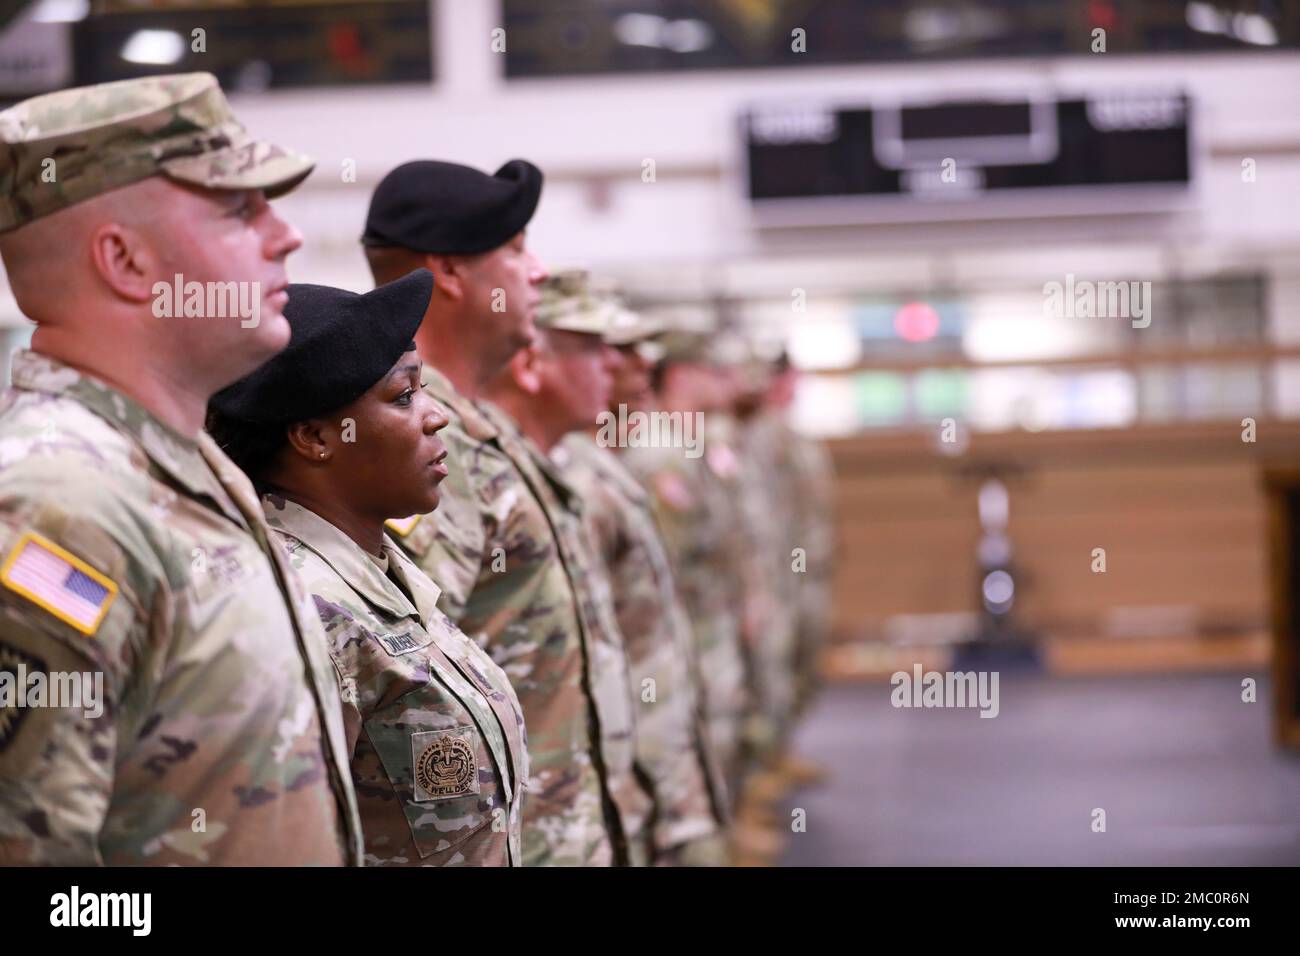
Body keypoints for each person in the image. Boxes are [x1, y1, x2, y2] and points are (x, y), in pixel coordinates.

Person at [0, 72, 362, 865]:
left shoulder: (181, 464)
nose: (286, 236)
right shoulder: (61, 505)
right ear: (126, 261)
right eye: (241, 210)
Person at [207, 271, 528, 866]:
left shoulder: (378, 572)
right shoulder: (303, 609)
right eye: (403, 397)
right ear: (314, 436)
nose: (438, 418)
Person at [362, 160, 628, 865]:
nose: (537, 272)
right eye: (515, 250)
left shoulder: (477, 432)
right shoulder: (426, 444)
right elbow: (403, 688)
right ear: (449, 273)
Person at [551, 279, 729, 864]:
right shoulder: (578, 471)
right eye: (615, 350)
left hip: (648, 703)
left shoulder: (600, 462)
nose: (636, 367)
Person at [482, 270, 655, 864]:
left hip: (579, 799)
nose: (614, 366)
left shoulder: (560, 470)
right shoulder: (477, 478)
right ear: (533, 363)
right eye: (591, 349)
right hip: (526, 820)